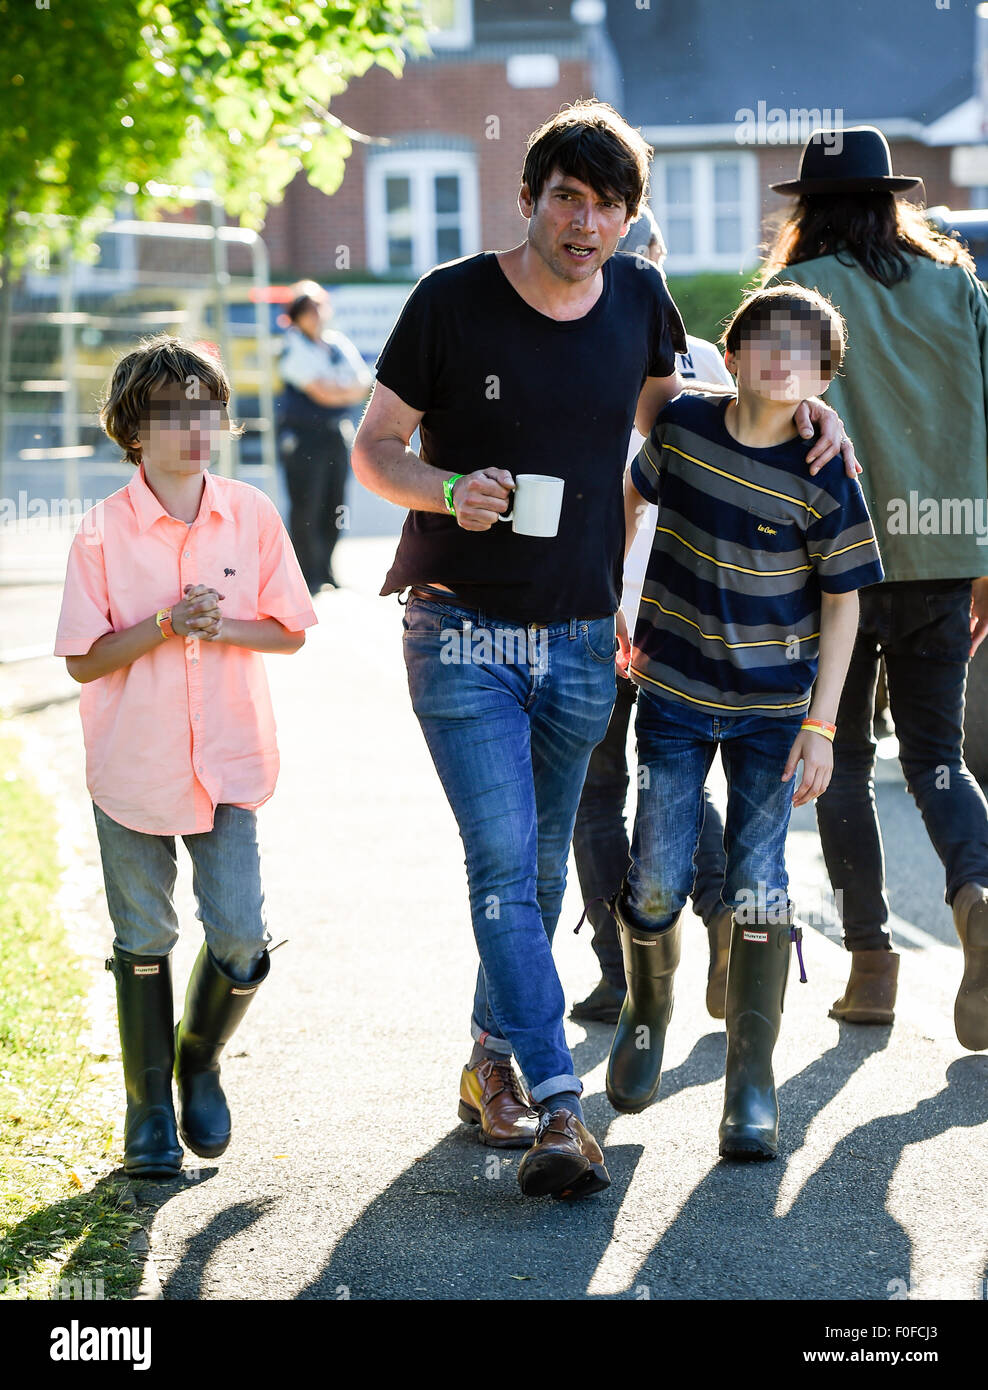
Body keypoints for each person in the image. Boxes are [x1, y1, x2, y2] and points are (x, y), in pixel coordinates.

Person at [352, 101, 852, 1200]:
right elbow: (373, 448)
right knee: (501, 868)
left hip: (581, 632)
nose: (587, 222)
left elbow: (684, 432)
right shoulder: (449, 302)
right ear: (529, 198)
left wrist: (806, 410)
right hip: (460, 626)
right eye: (568, 198)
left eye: (610, 204)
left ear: (631, 216)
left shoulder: (637, 294)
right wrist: (447, 489)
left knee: (530, 872)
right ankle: (558, 1104)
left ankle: (490, 1061)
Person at [613, 283, 884, 1160]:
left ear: (825, 378)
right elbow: (633, 492)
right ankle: (648, 1008)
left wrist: (824, 727)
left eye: (802, 352)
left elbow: (845, 604)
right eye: (764, 342)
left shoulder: (826, 473)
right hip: (675, 694)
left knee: (760, 879)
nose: (780, 361)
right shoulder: (685, 429)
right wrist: (613, 590)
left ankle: (751, 1083)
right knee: (656, 875)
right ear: (729, 354)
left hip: (775, 712)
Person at [54, 336, 317, 1179]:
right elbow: (83, 659)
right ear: (135, 429)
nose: (196, 427)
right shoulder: (100, 532)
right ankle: (148, 1113)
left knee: (241, 937)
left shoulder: (250, 512)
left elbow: (288, 633)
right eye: (174, 412)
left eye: (206, 409)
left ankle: (196, 1058)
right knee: (143, 936)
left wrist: (217, 624)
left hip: (230, 759)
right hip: (133, 762)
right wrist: (164, 625)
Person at [764, 126, 988, 1047]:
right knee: (939, 755)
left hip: (836, 563)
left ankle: (872, 968)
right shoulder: (957, 287)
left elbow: (766, 426)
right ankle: (976, 894)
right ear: (893, 202)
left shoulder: (798, 294)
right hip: (946, 554)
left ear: (807, 210)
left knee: (843, 759)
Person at [571, 206, 734, 1026]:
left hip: (594, 603)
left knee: (595, 790)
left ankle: (618, 970)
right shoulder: (705, 363)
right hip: (681, 608)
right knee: (672, 780)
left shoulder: (566, 346)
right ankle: (722, 926)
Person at [276, 281, 372, 594]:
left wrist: (338, 391)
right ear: (296, 315)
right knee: (307, 505)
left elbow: (363, 384)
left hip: (335, 434)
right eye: (308, 309)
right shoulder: (292, 346)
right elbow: (322, 393)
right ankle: (307, 574)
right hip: (304, 438)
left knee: (334, 504)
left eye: (319, 307)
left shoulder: (337, 344)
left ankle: (327, 569)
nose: (316, 315)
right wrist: (341, 391)